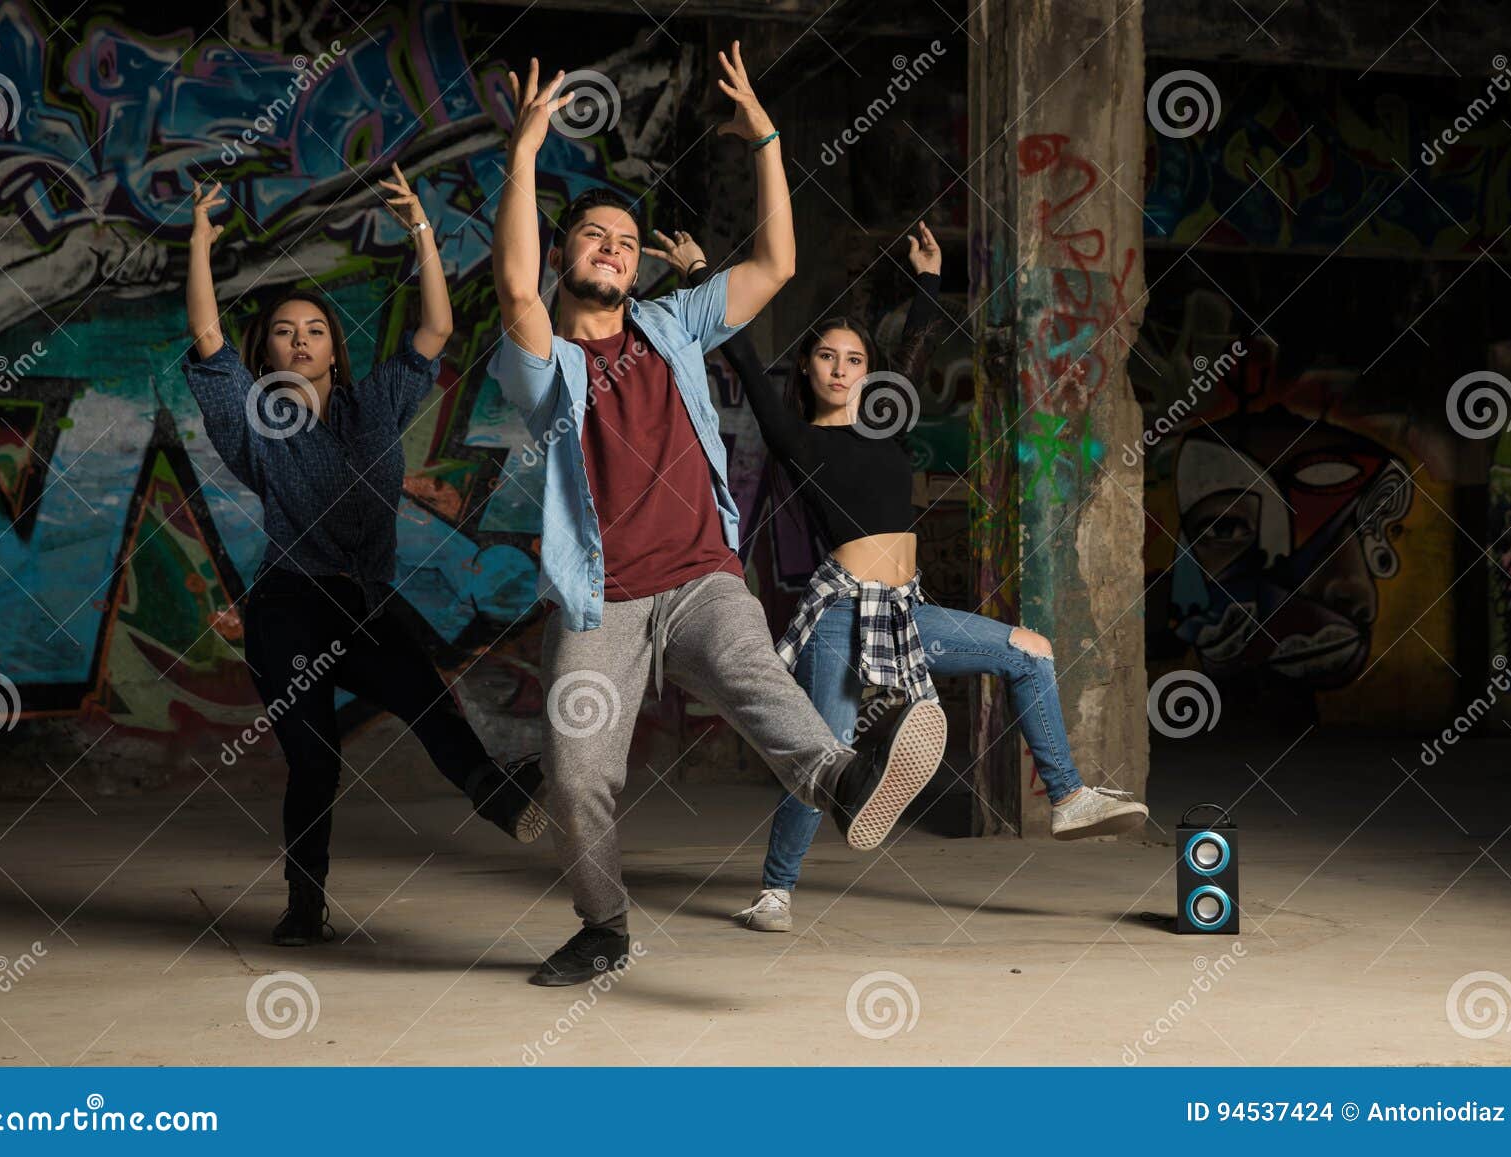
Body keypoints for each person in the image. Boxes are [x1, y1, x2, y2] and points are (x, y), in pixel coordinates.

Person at [488, 48, 948, 987]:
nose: (614, 246)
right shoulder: (542, 363)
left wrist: (768, 138)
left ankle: (848, 780)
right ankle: (604, 925)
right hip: (602, 601)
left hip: (702, 575)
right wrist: (526, 151)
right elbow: (512, 289)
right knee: (576, 775)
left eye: (625, 237)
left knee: (753, 672)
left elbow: (775, 261)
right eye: (593, 237)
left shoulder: (674, 323)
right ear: (565, 258)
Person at [645, 224, 1151, 935]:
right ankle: (775, 890)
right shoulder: (797, 438)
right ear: (810, 370)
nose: (843, 367)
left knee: (1029, 650)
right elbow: (741, 353)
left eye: (854, 358)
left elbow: (912, 351)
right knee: (824, 748)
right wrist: (702, 273)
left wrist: (927, 284)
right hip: (842, 617)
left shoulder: (886, 425)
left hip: (905, 612)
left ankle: (1066, 798)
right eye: (827, 356)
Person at [182, 165, 548, 947]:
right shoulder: (252, 422)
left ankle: (500, 797)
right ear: (269, 350)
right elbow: (210, 343)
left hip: (366, 601)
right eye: (284, 330)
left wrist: (422, 229)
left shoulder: (375, 403)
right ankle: (303, 907)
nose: (300, 338)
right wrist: (200, 246)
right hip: (287, 604)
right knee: (314, 757)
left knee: (429, 699)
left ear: (334, 351)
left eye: (314, 329)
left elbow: (437, 332)